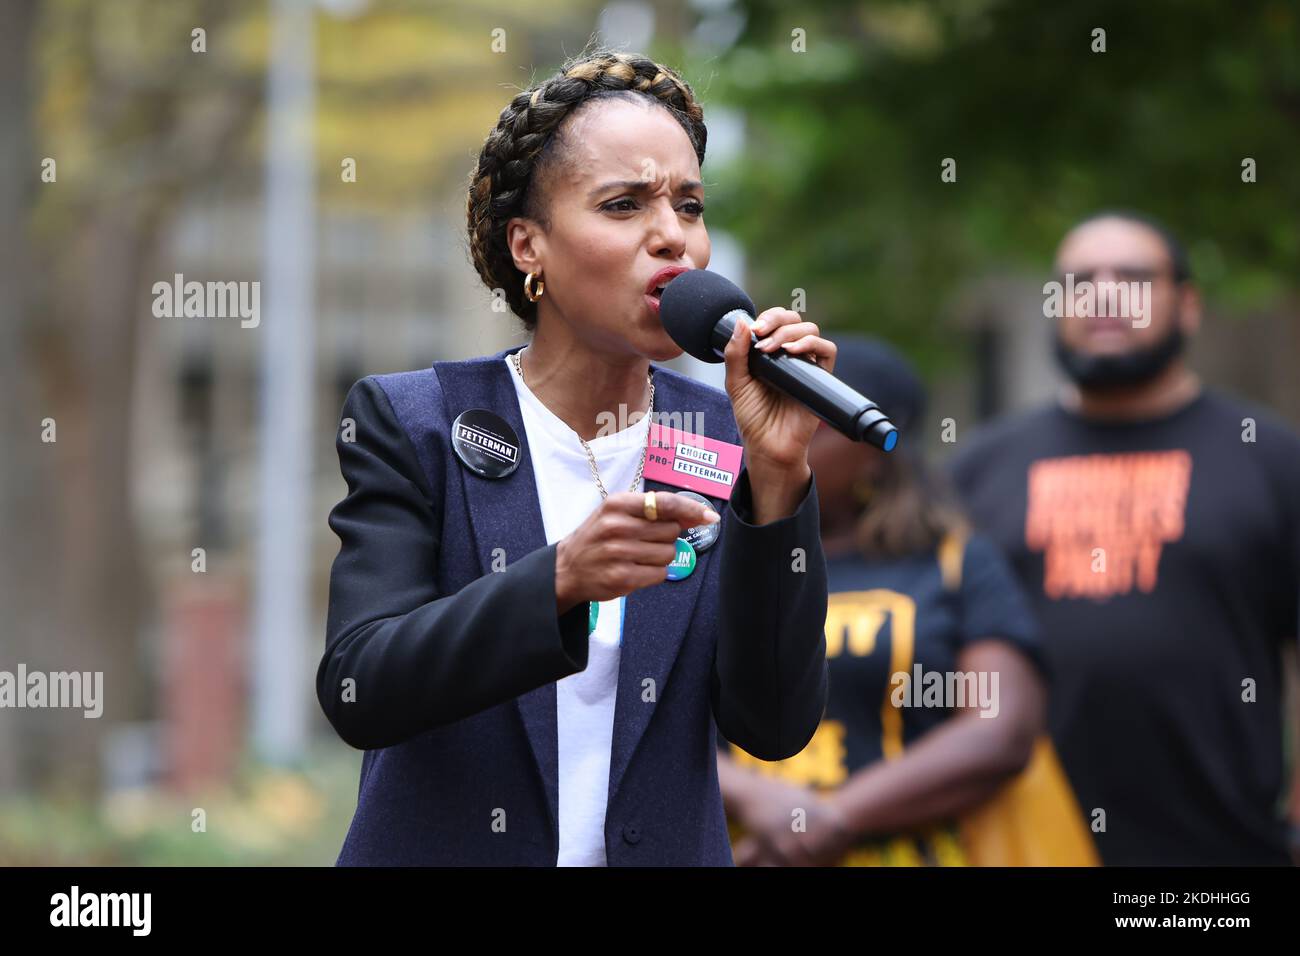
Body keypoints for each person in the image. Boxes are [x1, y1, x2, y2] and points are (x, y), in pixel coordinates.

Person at [316, 49, 836, 866]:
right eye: (623, 205)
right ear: (529, 247)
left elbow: (772, 725)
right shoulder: (417, 422)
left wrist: (778, 480)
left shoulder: (723, 434)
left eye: (690, 206)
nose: (672, 236)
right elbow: (361, 687)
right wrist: (556, 580)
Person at [950, 210, 1300, 865]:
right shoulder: (977, 470)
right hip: (1015, 847)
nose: (1104, 295)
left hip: (1221, 861)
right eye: (1079, 281)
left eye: (1133, 278)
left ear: (1188, 304)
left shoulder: (1272, 460)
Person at [716, 336, 1048, 866]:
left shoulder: (955, 564)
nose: (786, 433)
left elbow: (1001, 728)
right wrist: (756, 797)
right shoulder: (717, 553)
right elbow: (650, 711)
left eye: (815, 421)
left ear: (876, 446)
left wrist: (832, 819)